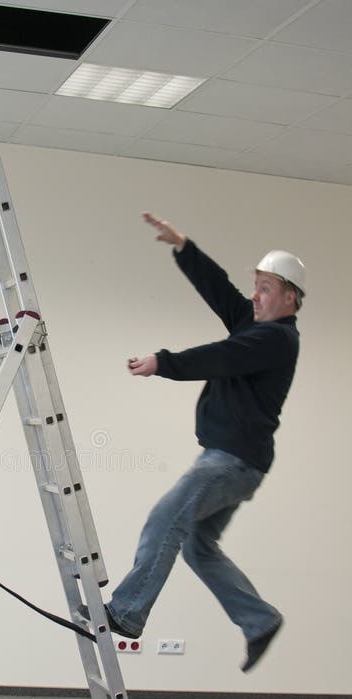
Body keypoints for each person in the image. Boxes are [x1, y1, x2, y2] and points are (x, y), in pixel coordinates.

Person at [82, 214, 305, 672]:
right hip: (237, 462)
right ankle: (259, 621)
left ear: (291, 298)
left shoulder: (276, 339)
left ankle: (126, 613)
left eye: (266, 289)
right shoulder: (255, 324)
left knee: (166, 519)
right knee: (198, 545)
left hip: (232, 461)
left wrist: (162, 362)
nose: (255, 296)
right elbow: (220, 289)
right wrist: (184, 246)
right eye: (256, 286)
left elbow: (222, 357)